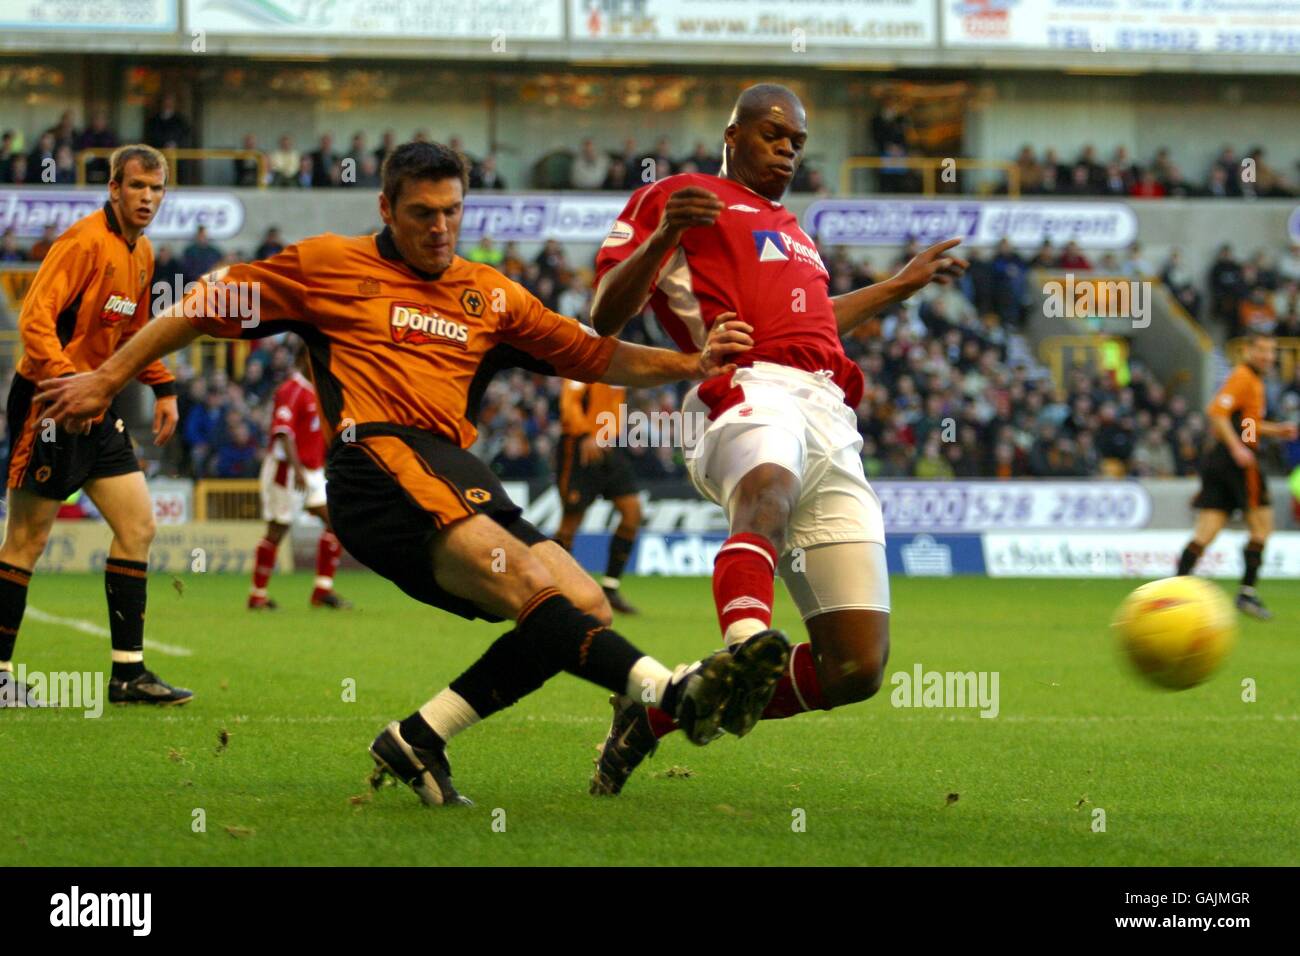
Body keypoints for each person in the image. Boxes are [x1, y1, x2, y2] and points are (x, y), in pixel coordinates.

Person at [36, 140, 782, 804]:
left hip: (456, 469)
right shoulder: (327, 266)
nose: (440, 228)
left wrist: (690, 362)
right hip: (377, 463)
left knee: (584, 605)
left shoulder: (489, 294)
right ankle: (668, 689)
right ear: (385, 207)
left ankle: (421, 736)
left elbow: (591, 353)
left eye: (452, 212)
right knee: (532, 585)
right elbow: (200, 305)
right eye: (423, 213)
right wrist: (108, 378)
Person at [586, 83, 965, 795]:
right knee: (768, 493)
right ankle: (746, 640)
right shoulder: (680, 195)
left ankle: (655, 715)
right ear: (732, 136)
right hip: (746, 388)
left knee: (855, 668)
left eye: (797, 140)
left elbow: (817, 320)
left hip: (830, 413)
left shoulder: (792, 229)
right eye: (772, 133)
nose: (788, 147)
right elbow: (603, 314)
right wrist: (666, 233)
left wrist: (900, 285)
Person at [0, 144, 190, 708]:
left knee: (138, 526)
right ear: (114, 188)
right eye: (137, 187)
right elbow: (35, 321)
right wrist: (71, 385)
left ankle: (128, 675)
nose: (147, 199)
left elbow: (132, 332)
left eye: (156, 190)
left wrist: (163, 385)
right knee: (28, 540)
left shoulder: (142, 251)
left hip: (97, 399)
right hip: (50, 399)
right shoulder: (82, 242)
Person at [1176, 334, 1298, 619]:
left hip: (1222, 460)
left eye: (1272, 352)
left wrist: (1277, 430)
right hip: (1236, 463)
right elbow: (1217, 412)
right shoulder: (1243, 376)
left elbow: (1246, 425)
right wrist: (1238, 449)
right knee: (1262, 527)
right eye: (1263, 351)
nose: (1269, 357)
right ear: (1248, 351)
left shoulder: (1253, 381)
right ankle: (1246, 593)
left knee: (1207, 530)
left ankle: (1175, 588)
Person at [249, 349, 351, 610]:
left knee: (336, 523)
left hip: (312, 471)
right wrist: (298, 469)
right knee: (277, 531)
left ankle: (322, 590)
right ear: (301, 360)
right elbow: (283, 433)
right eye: (313, 357)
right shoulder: (291, 390)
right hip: (287, 470)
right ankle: (257, 595)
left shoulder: (319, 390)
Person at [553, 379, 641, 614]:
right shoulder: (582, 361)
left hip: (609, 445)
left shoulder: (618, 365)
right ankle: (555, 590)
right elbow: (568, 403)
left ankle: (611, 589)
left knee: (632, 514)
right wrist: (583, 434)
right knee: (570, 524)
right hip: (580, 445)